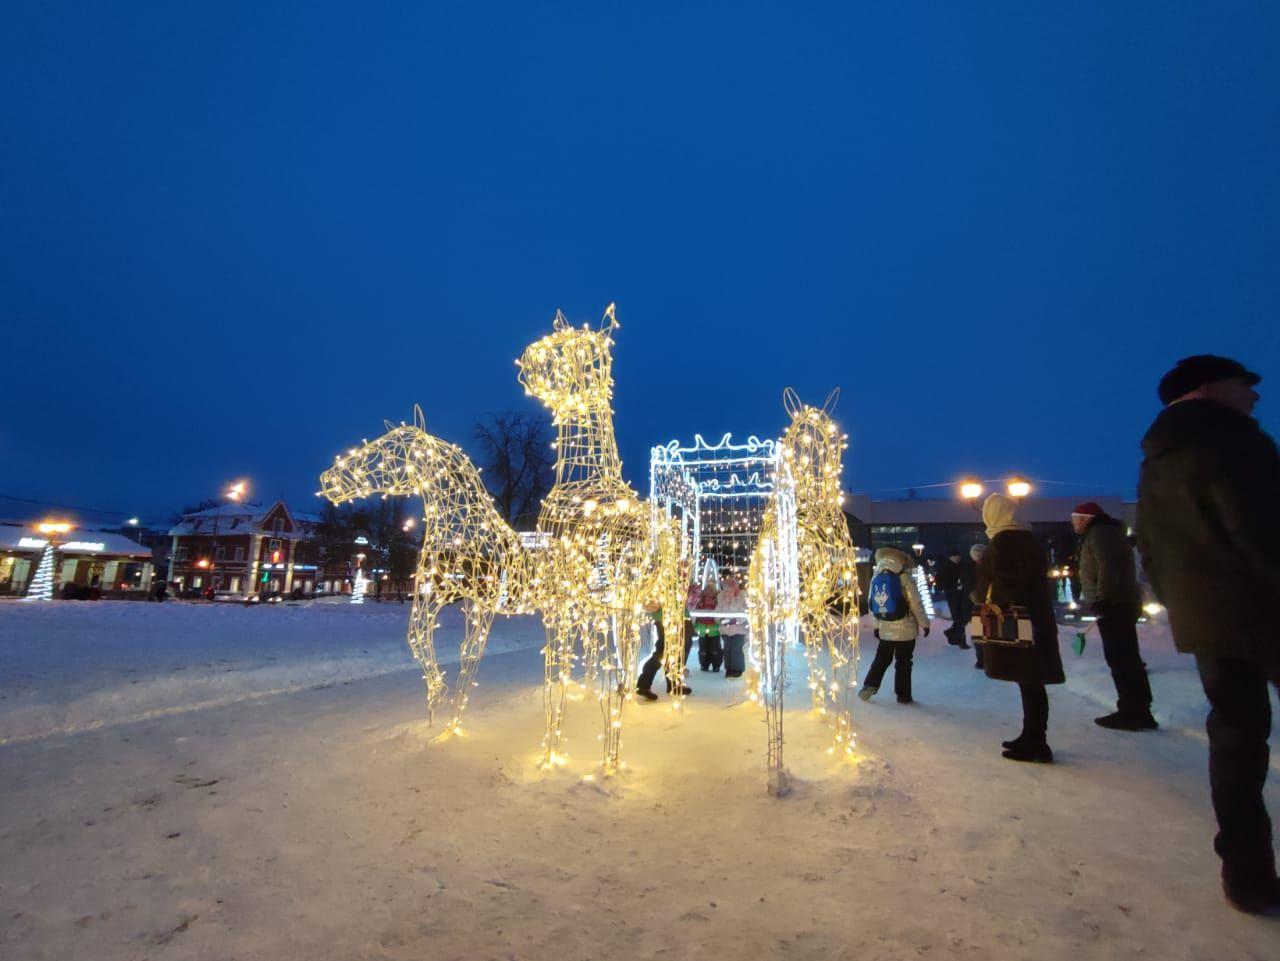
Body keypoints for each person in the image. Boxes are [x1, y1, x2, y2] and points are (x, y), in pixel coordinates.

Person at [1136, 354, 1280, 913]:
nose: (1255, 397)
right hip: (1262, 606)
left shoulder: (1156, 460)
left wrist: (1183, 603)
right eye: (1245, 385)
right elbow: (1260, 528)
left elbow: (1149, 545)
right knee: (1241, 738)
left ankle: (1246, 873)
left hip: (1208, 619)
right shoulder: (1232, 441)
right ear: (1209, 388)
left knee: (1236, 740)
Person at [973, 493, 1064, 762]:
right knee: (1031, 682)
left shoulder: (1005, 542)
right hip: (1033, 619)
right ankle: (1032, 735)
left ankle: (1036, 741)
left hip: (1018, 621)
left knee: (1030, 681)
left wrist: (987, 599)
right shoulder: (1025, 539)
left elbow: (1006, 582)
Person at [1071, 501, 1156, 731]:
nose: (1074, 523)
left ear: (1087, 518)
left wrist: (1103, 599)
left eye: (1077, 518)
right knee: (1123, 657)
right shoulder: (1103, 532)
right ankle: (1135, 708)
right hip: (1118, 603)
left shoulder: (1100, 534)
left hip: (1115, 604)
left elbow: (1108, 567)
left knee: (1122, 658)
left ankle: (1134, 710)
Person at [860, 546, 930, 704]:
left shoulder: (876, 578)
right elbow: (915, 603)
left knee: (881, 659)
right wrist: (924, 623)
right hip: (906, 629)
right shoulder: (905, 578)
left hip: (885, 628)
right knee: (904, 662)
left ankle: (869, 685)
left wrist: (877, 626)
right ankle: (903, 695)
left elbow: (873, 605)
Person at [635, 603, 693, 700]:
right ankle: (645, 684)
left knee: (668, 650)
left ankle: (672, 684)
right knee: (668, 651)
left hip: (669, 614)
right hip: (671, 615)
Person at [937, 552, 971, 649]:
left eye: (958, 556)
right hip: (952, 595)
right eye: (955, 556)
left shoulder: (963, 566)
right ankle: (960, 641)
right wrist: (951, 587)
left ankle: (952, 634)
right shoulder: (945, 567)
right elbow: (940, 581)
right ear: (950, 557)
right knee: (959, 618)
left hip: (963, 595)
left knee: (962, 618)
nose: (957, 558)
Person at [717, 575, 749, 678]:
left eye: (730, 591)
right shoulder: (721, 601)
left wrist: (737, 619)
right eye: (726, 592)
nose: (728, 594)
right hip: (726, 629)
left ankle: (737, 668)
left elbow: (744, 613)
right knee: (727, 649)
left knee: (736, 649)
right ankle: (729, 668)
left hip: (738, 629)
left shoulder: (741, 600)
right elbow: (717, 612)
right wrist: (720, 619)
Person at [694, 582, 723, 672]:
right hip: (702, 628)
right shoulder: (700, 601)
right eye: (707, 590)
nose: (709, 592)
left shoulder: (717, 601)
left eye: (711, 590)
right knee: (703, 649)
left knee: (715, 649)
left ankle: (716, 665)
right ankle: (704, 664)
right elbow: (695, 611)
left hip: (714, 628)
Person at [969, 544, 986, 669]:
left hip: (989, 605)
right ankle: (981, 659)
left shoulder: (991, 567)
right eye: (976, 554)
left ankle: (986, 659)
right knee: (979, 633)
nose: (979, 556)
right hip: (977, 606)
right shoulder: (969, 568)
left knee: (988, 632)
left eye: (981, 553)